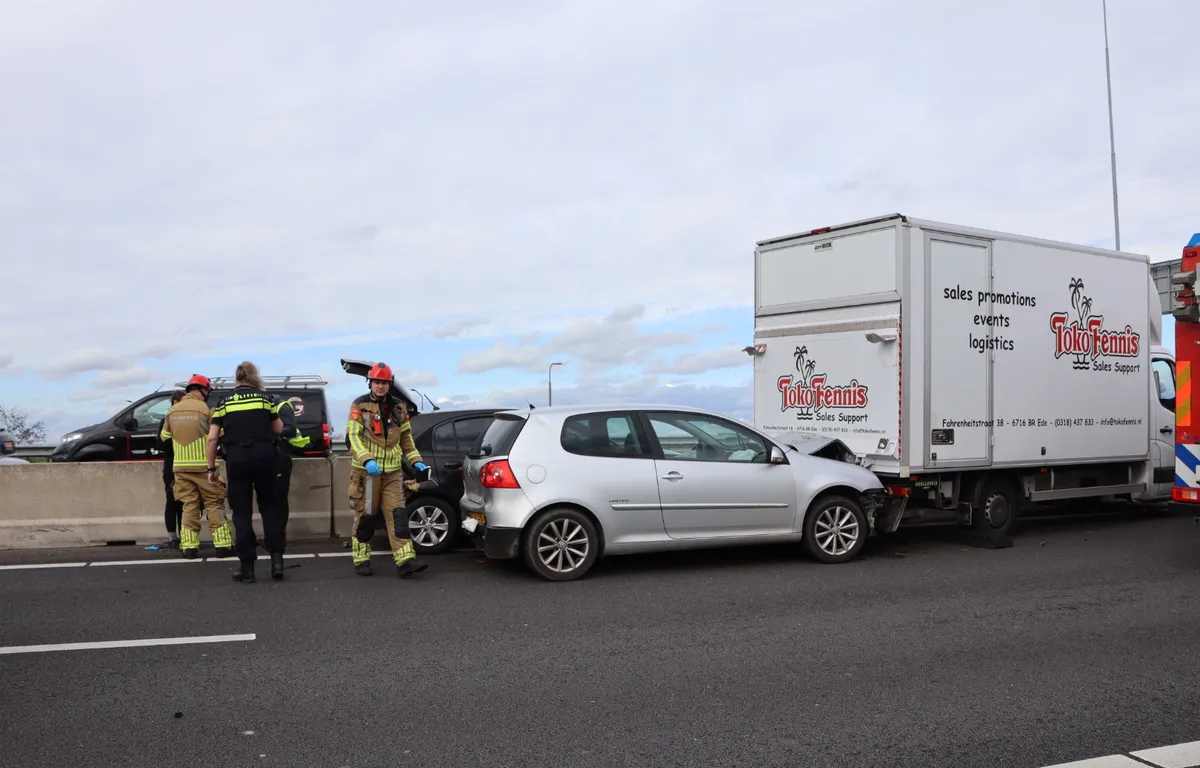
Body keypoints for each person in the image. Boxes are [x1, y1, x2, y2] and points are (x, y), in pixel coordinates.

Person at [346, 361, 432, 578]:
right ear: (370, 383)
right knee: (366, 517)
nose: (380, 386)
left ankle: (405, 561)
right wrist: (366, 459)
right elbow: (353, 437)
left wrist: (417, 462)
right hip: (367, 474)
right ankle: (361, 559)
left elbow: (407, 441)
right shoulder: (359, 406)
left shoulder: (399, 408)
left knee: (398, 516)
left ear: (389, 384)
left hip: (393, 473)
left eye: (384, 382)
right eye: (376, 382)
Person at [207, 361, 283, 583]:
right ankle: (277, 562)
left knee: (241, 513)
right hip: (265, 457)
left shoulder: (223, 403)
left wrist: (210, 468)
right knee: (270, 508)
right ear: (254, 377)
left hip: (237, 459)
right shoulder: (265, 399)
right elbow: (277, 429)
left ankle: (247, 568)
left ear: (237, 378)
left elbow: (212, 437)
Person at [160, 376, 234, 559]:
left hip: (180, 468)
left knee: (189, 506)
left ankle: (190, 548)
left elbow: (164, 438)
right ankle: (222, 546)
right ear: (203, 390)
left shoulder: (172, 411)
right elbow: (218, 435)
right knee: (214, 504)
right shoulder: (206, 410)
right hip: (204, 466)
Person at [273, 396, 311, 534]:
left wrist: (270, 432)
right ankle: (274, 534)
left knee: (279, 499)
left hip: (281, 457)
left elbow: (291, 430)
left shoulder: (281, 407)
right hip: (270, 458)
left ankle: (279, 534)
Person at [159, 390, 186, 549]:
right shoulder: (167, 420)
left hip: (184, 466)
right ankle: (172, 537)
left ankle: (185, 535)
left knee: (185, 504)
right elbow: (161, 444)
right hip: (171, 467)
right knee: (171, 502)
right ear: (175, 402)